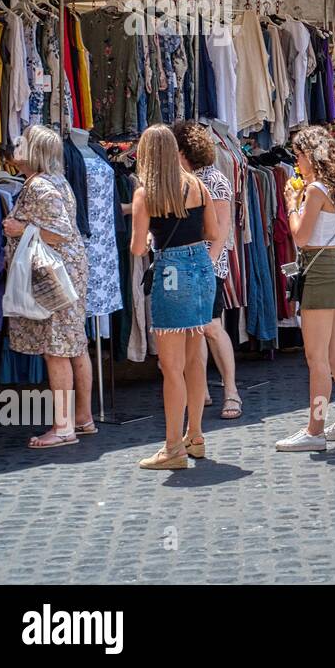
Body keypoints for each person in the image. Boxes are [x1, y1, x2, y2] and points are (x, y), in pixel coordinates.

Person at [130, 124, 223, 470]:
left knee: (170, 368)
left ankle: (172, 448)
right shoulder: (197, 184)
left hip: (171, 273)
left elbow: (139, 246)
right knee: (194, 359)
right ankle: (194, 435)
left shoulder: (146, 192)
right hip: (201, 268)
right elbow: (213, 233)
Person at [277, 125, 335, 451]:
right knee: (333, 353)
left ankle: (315, 430)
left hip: (320, 270)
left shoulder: (315, 190)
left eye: (298, 155)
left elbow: (300, 236)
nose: (296, 162)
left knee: (317, 359)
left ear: (310, 155)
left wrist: (290, 203)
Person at [4, 126, 92, 449]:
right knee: (74, 345)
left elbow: (60, 231)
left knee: (56, 350)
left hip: (54, 276)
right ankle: (82, 418)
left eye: (23, 141)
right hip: (66, 272)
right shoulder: (55, 182)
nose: (17, 144)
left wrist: (19, 226)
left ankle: (64, 427)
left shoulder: (41, 186)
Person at [172, 121, 241, 420]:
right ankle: (202, 390)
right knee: (193, 328)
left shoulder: (214, 180)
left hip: (206, 263)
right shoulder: (180, 179)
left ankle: (232, 392)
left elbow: (222, 229)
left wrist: (208, 264)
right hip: (185, 261)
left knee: (211, 326)